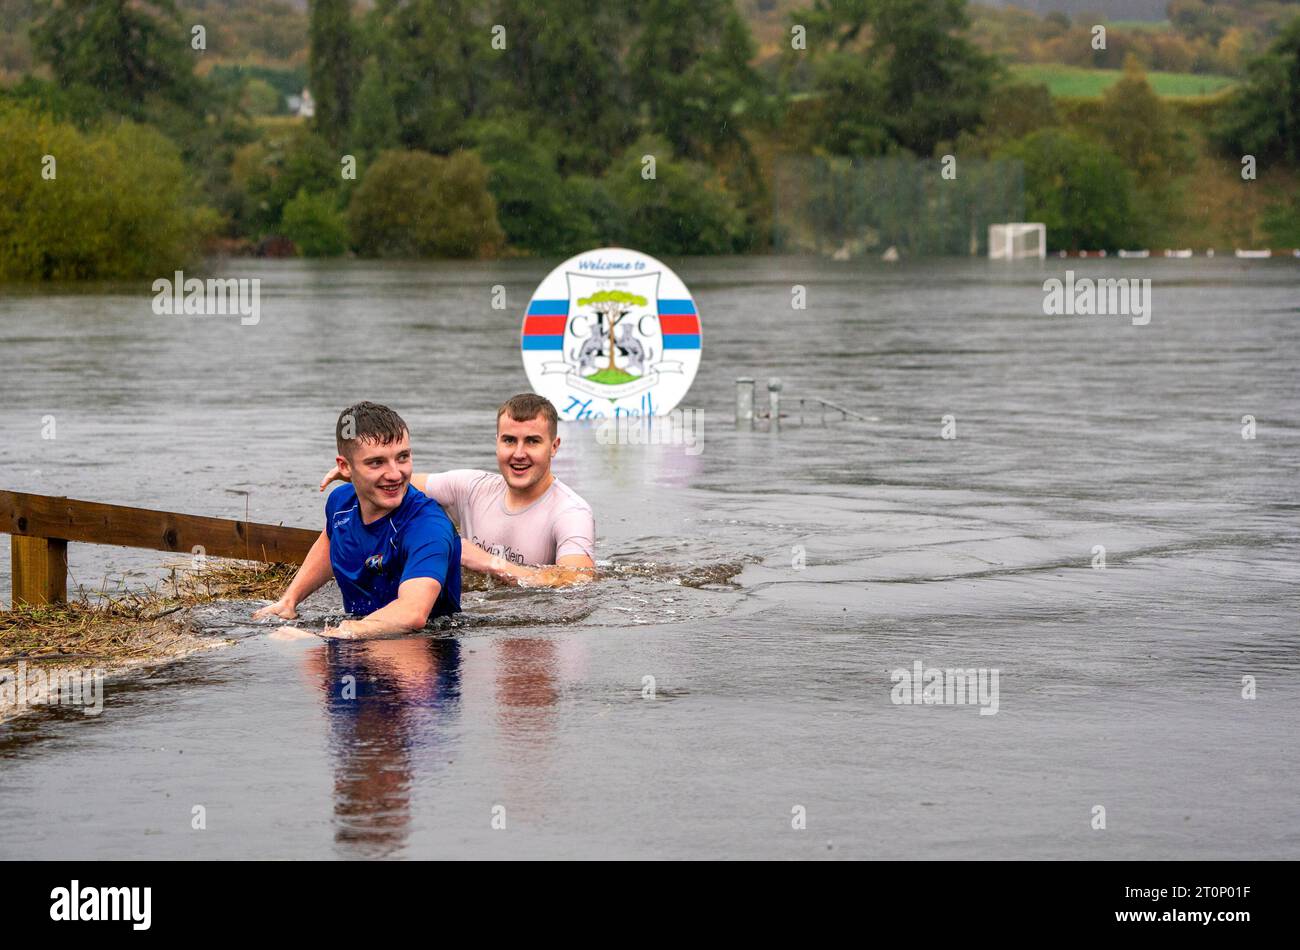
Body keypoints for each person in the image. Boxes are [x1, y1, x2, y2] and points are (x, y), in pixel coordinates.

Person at [320, 393, 595, 588]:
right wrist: (355, 475)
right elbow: (400, 481)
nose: (519, 454)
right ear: (497, 442)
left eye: (532, 441)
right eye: (509, 440)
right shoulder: (471, 486)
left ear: (554, 446)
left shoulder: (571, 511)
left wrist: (487, 562)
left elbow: (576, 582)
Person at [254, 401, 461, 639]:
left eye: (402, 457)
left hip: (422, 648)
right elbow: (331, 539)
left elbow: (413, 614)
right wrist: (289, 601)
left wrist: (328, 638)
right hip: (359, 635)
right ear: (345, 466)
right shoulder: (340, 503)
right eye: (376, 462)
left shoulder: (428, 526)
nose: (395, 474)